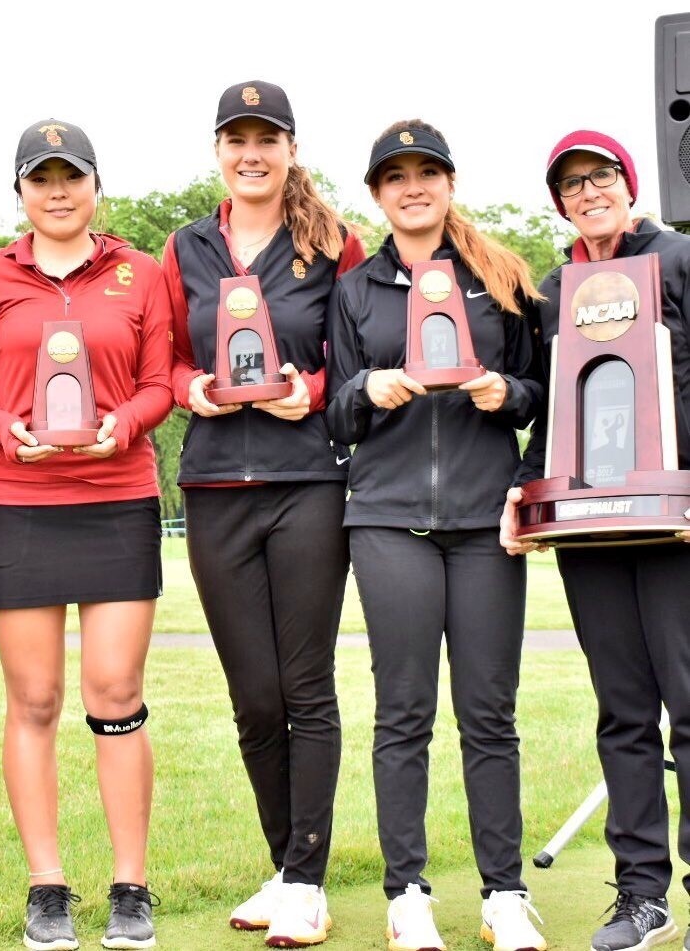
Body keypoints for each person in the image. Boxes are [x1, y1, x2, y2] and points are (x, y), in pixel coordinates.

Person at [326, 120, 546, 951]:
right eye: (396, 177)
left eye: (428, 173)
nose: (412, 188)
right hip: (387, 520)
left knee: (490, 714)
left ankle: (504, 893)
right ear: (378, 195)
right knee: (404, 712)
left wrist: (505, 395)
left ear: (450, 184)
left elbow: (538, 391)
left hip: (486, 518)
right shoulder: (358, 289)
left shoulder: (498, 279)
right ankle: (408, 892)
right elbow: (334, 410)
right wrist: (370, 387)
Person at [0, 119, 173, 951]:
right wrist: (7, 430)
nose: (56, 191)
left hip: (117, 494)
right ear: (20, 192)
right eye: (40, 179)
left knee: (114, 691)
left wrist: (124, 422)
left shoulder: (140, 273)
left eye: (70, 177)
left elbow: (159, 383)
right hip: (18, 499)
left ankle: (131, 884)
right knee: (35, 699)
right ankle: (48, 886)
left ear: (94, 186)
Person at [162, 80, 363, 947]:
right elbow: (165, 359)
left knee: (304, 685)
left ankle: (308, 880)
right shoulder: (185, 248)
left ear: (290, 149)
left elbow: (355, 364)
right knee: (253, 697)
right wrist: (191, 389)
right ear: (218, 151)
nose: (252, 153)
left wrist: (307, 391)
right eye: (236, 139)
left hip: (307, 484)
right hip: (214, 491)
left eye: (267, 139)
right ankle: (287, 866)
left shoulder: (334, 245)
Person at [501, 131, 690, 951]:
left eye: (600, 176)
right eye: (571, 185)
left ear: (628, 182)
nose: (588, 192)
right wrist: (527, 487)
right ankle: (642, 896)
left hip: (679, 518)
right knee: (622, 712)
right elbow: (556, 406)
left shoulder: (678, 260)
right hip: (593, 530)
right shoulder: (559, 287)